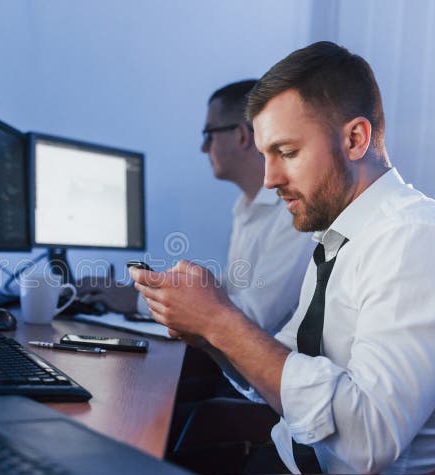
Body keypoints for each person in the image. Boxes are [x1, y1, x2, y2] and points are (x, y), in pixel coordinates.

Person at [131, 41, 435, 475]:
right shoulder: (343, 236)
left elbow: (366, 440)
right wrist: (207, 331)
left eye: (287, 153)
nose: (270, 179)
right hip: (297, 469)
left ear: (355, 139)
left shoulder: (418, 243)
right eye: (267, 156)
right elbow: (285, 358)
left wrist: (219, 322)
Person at [78, 80, 312, 339]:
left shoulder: (294, 212)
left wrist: (138, 302)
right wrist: (152, 291)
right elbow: (229, 292)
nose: (203, 148)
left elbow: (254, 317)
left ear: (241, 136)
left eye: (209, 135)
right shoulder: (246, 207)